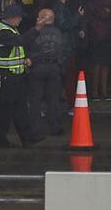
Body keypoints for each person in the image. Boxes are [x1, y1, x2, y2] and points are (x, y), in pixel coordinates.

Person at [0, 4, 38, 147]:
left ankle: (27, 138)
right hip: (6, 76)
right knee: (6, 109)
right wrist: (36, 30)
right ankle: (1, 140)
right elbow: (20, 42)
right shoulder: (3, 31)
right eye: (19, 17)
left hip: (15, 76)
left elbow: (17, 48)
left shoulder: (10, 29)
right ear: (11, 18)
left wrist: (26, 59)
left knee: (20, 108)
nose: (20, 20)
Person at [23, 8, 65, 137]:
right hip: (54, 67)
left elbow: (24, 45)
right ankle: (55, 127)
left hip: (37, 67)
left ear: (42, 18)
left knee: (35, 100)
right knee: (53, 99)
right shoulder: (59, 33)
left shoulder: (34, 32)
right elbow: (64, 50)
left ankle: (35, 128)